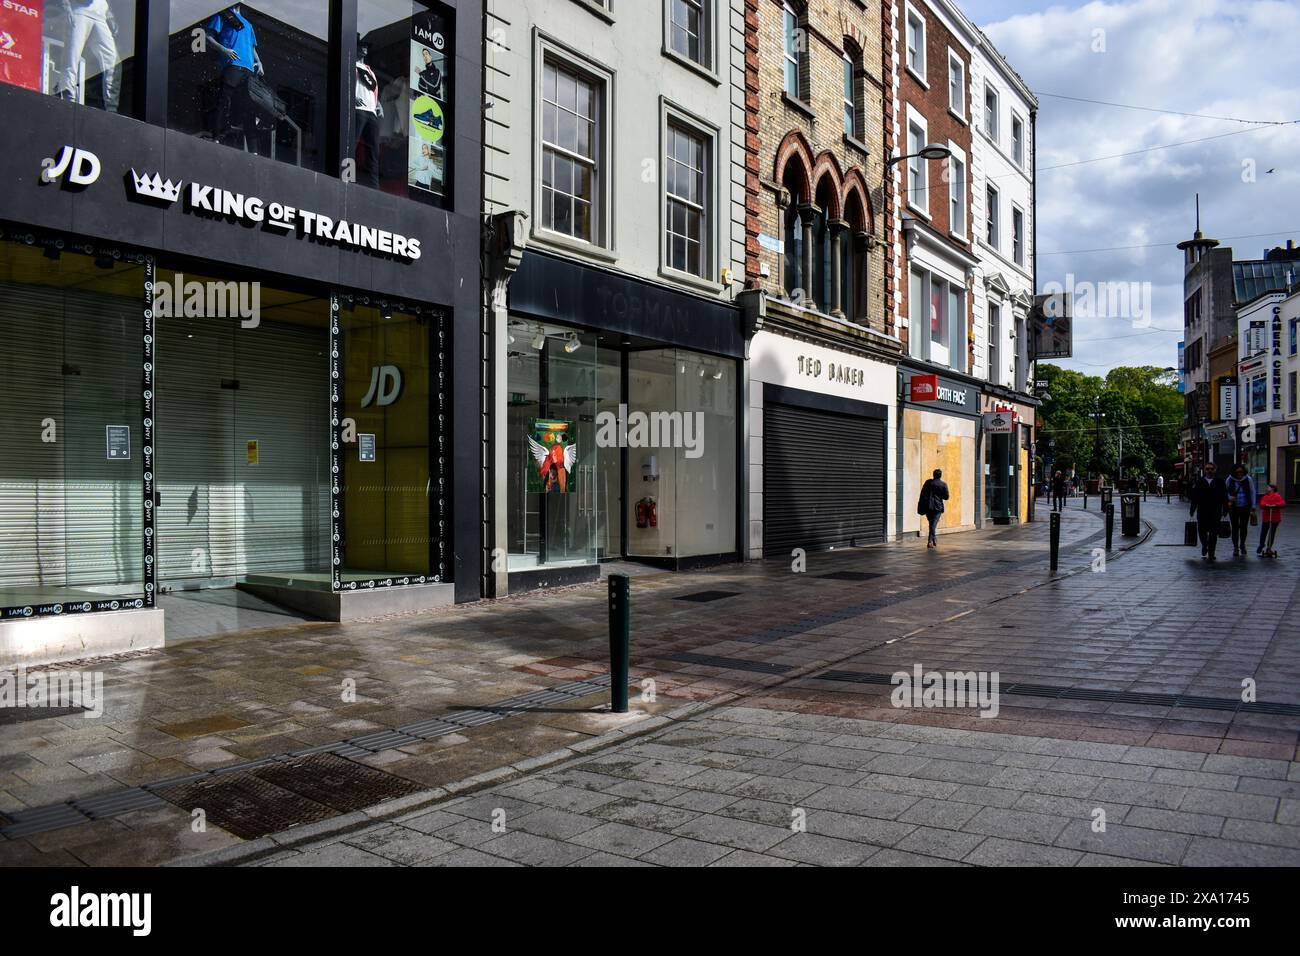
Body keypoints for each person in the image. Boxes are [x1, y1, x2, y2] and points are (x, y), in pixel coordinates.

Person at [1190, 462, 1230, 562]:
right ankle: (1205, 545)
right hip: (1202, 511)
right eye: (1207, 469)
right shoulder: (1200, 482)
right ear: (1205, 470)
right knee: (1202, 532)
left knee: (1213, 534)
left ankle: (1211, 554)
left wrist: (1225, 509)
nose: (1209, 471)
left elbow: (1224, 497)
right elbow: (1194, 497)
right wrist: (1192, 510)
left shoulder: (1220, 482)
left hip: (1215, 511)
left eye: (1211, 469)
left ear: (1215, 470)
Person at [1225, 464, 1257, 557]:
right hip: (1233, 507)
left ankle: (1242, 544)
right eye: (1237, 472)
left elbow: (1252, 491)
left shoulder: (1248, 479)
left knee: (1243, 527)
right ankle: (1235, 547)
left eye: (1241, 472)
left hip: (1245, 506)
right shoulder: (1229, 479)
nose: (1239, 474)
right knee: (1235, 527)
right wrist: (1229, 497)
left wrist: (1253, 505)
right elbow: (1225, 491)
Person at [917, 468, 950, 550]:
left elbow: (922, 494)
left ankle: (934, 539)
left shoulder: (927, 483)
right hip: (938, 507)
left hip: (928, 506)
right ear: (940, 475)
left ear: (933, 475)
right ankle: (930, 542)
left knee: (932, 524)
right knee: (933, 524)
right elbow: (946, 497)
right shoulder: (943, 484)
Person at [1257, 484, 1285, 558]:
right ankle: (1261, 544)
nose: (1266, 488)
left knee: (1272, 533)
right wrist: (1266, 505)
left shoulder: (1277, 496)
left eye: (1268, 487)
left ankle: (1269, 547)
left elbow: (1282, 503)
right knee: (1263, 532)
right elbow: (1261, 504)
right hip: (1266, 517)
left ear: (1272, 489)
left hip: (1275, 518)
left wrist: (1275, 505)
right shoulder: (1265, 496)